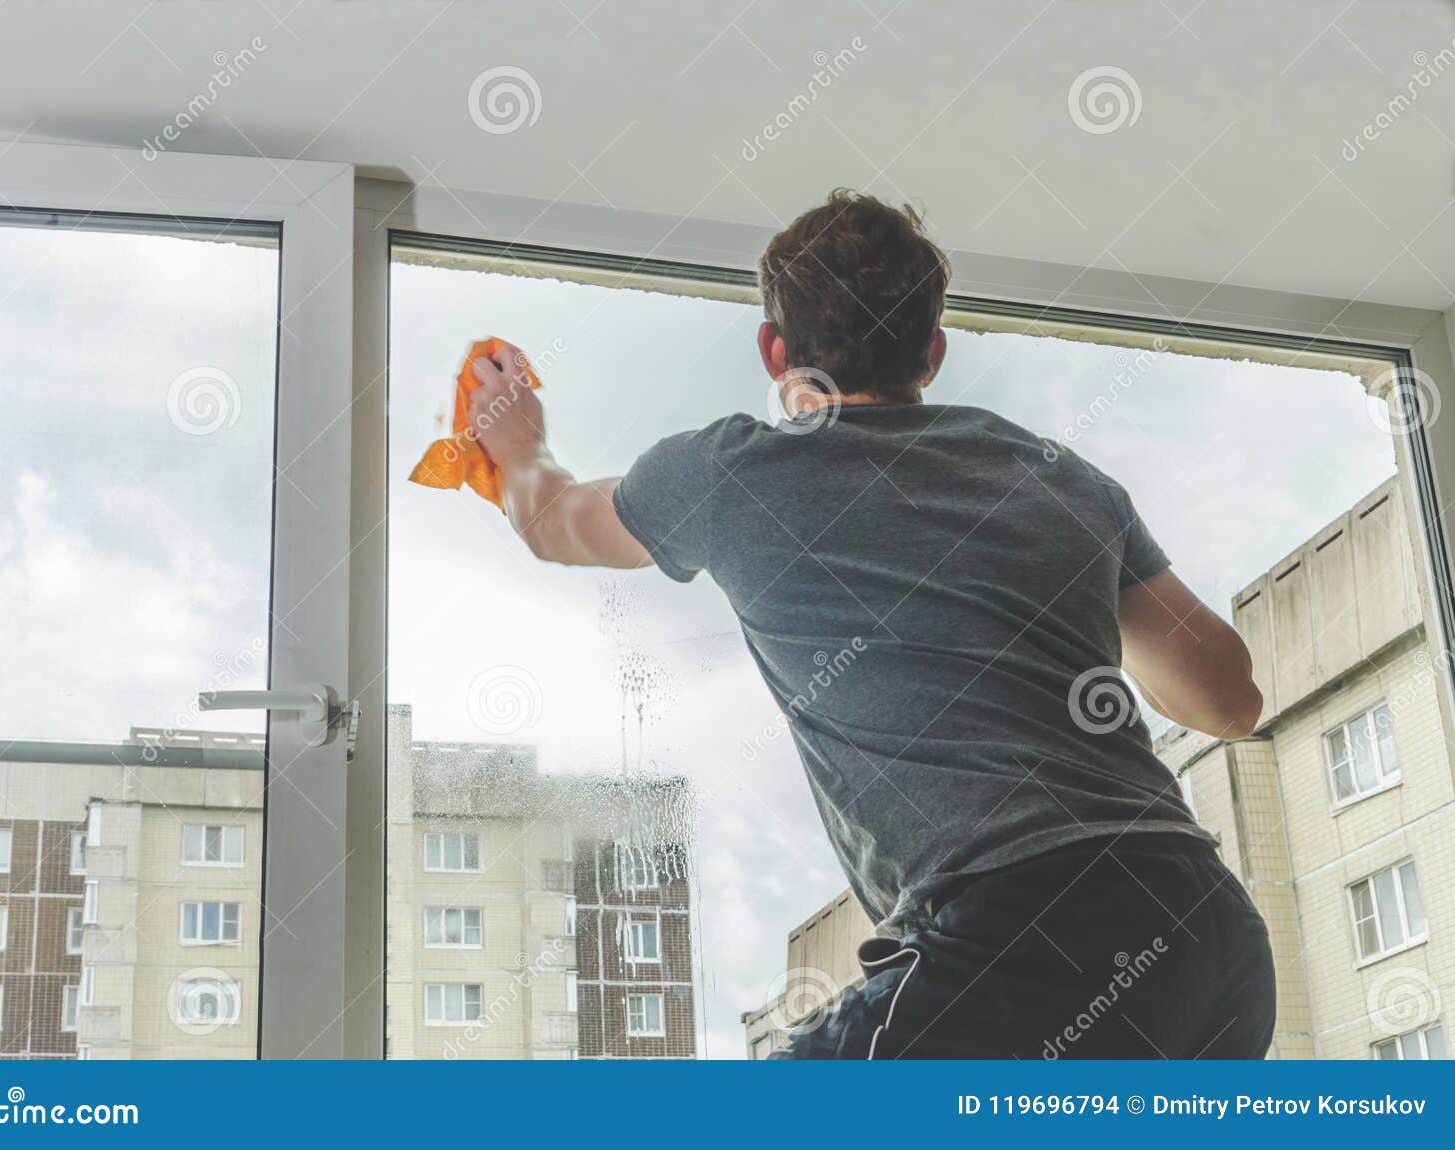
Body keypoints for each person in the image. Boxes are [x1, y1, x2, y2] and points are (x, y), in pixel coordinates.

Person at [465, 189, 1275, 1059]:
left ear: (775, 349)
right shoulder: (1062, 481)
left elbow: (551, 523)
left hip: (1025, 936)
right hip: (1210, 934)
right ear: (932, 350)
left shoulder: (732, 474)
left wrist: (519, 444)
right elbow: (1229, 702)